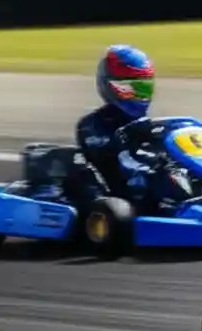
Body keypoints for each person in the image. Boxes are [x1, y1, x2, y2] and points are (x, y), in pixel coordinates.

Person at [72, 44, 162, 210]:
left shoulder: (150, 125)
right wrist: (127, 140)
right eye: (131, 90)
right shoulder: (92, 125)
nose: (139, 96)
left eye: (144, 89)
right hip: (120, 197)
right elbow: (113, 159)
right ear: (110, 85)